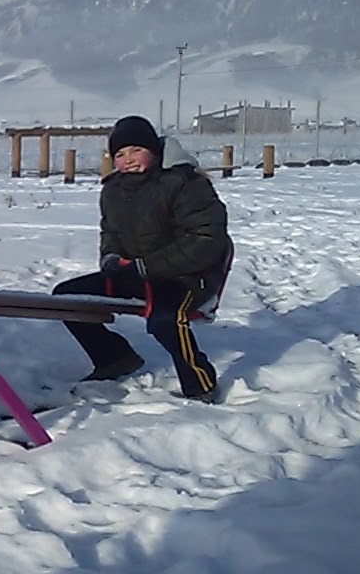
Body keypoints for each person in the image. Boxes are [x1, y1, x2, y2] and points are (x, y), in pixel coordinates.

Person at [53, 116, 233, 403]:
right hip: (136, 274)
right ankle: (114, 357)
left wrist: (148, 266)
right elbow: (110, 232)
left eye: (136, 150)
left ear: (154, 150)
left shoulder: (184, 182)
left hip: (186, 278)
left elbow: (206, 241)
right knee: (66, 299)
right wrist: (110, 258)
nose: (128, 160)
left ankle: (200, 383)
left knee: (165, 319)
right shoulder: (113, 189)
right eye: (120, 154)